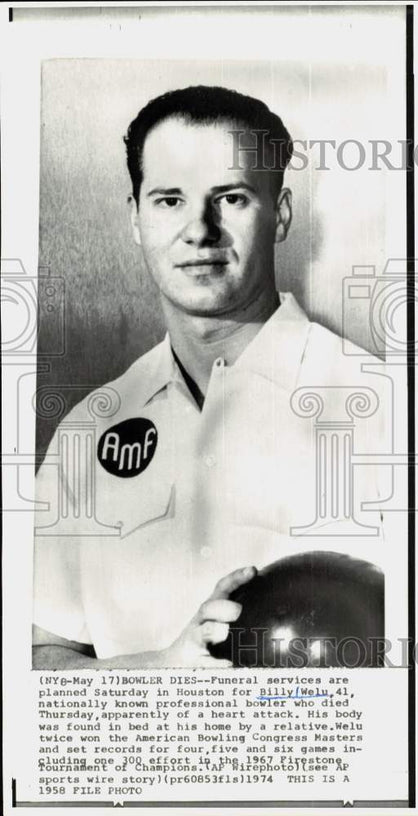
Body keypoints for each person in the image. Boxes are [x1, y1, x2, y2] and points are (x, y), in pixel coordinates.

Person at [32, 85, 394, 669]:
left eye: (229, 197)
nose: (199, 229)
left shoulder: (386, 410)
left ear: (281, 215)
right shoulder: (88, 430)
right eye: (169, 200)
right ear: (135, 218)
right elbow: (40, 655)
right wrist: (161, 672)